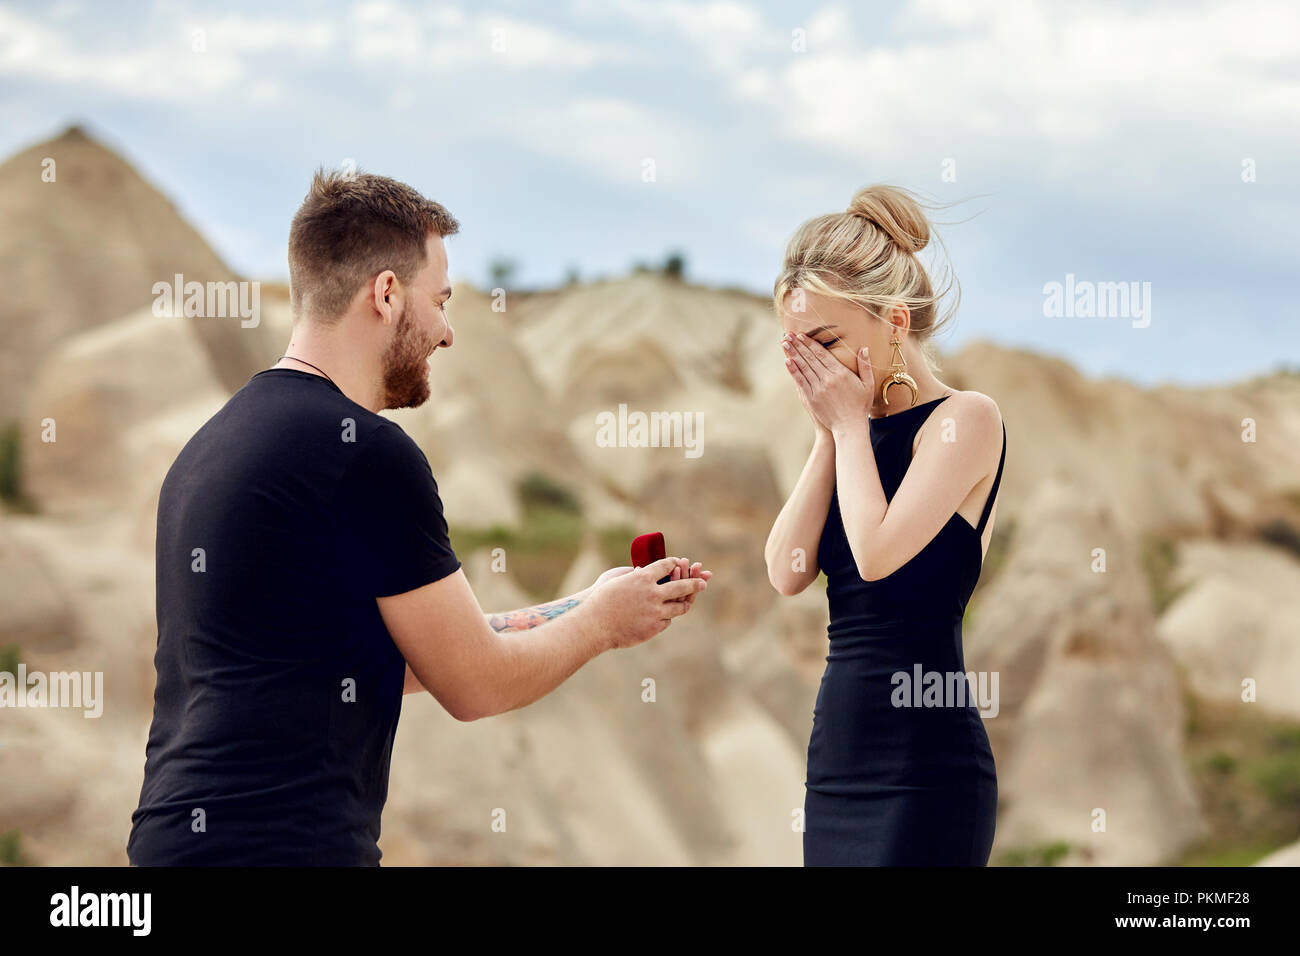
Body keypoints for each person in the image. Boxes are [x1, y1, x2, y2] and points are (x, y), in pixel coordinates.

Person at [127, 168, 711, 866]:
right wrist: (603, 627)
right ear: (385, 293)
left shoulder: (208, 449)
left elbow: (390, 659)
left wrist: (590, 600)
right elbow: (476, 683)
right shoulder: (366, 455)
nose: (449, 332)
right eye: (440, 300)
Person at [765, 184, 1003, 866]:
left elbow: (876, 555)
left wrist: (846, 427)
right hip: (839, 758)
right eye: (797, 348)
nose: (813, 365)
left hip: (926, 768)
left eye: (827, 340)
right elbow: (786, 571)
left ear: (894, 322)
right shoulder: (849, 437)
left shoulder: (966, 420)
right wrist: (828, 435)